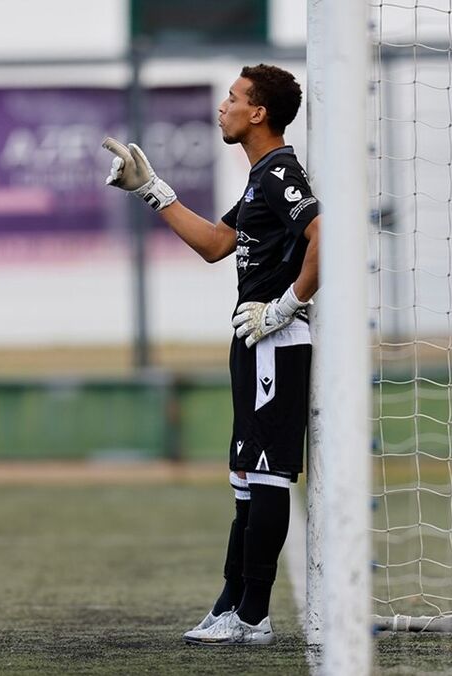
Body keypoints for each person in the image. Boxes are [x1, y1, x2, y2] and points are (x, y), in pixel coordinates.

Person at [102, 63, 320, 646]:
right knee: (245, 476)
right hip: (253, 338)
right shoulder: (259, 178)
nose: (223, 107)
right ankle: (232, 604)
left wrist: (286, 306)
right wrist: (152, 189)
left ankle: (253, 616)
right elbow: (217, 244)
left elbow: (323, 236)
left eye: (233, 98)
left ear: (258, 113)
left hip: (276, 339)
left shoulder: (281, 171)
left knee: (265, 474)